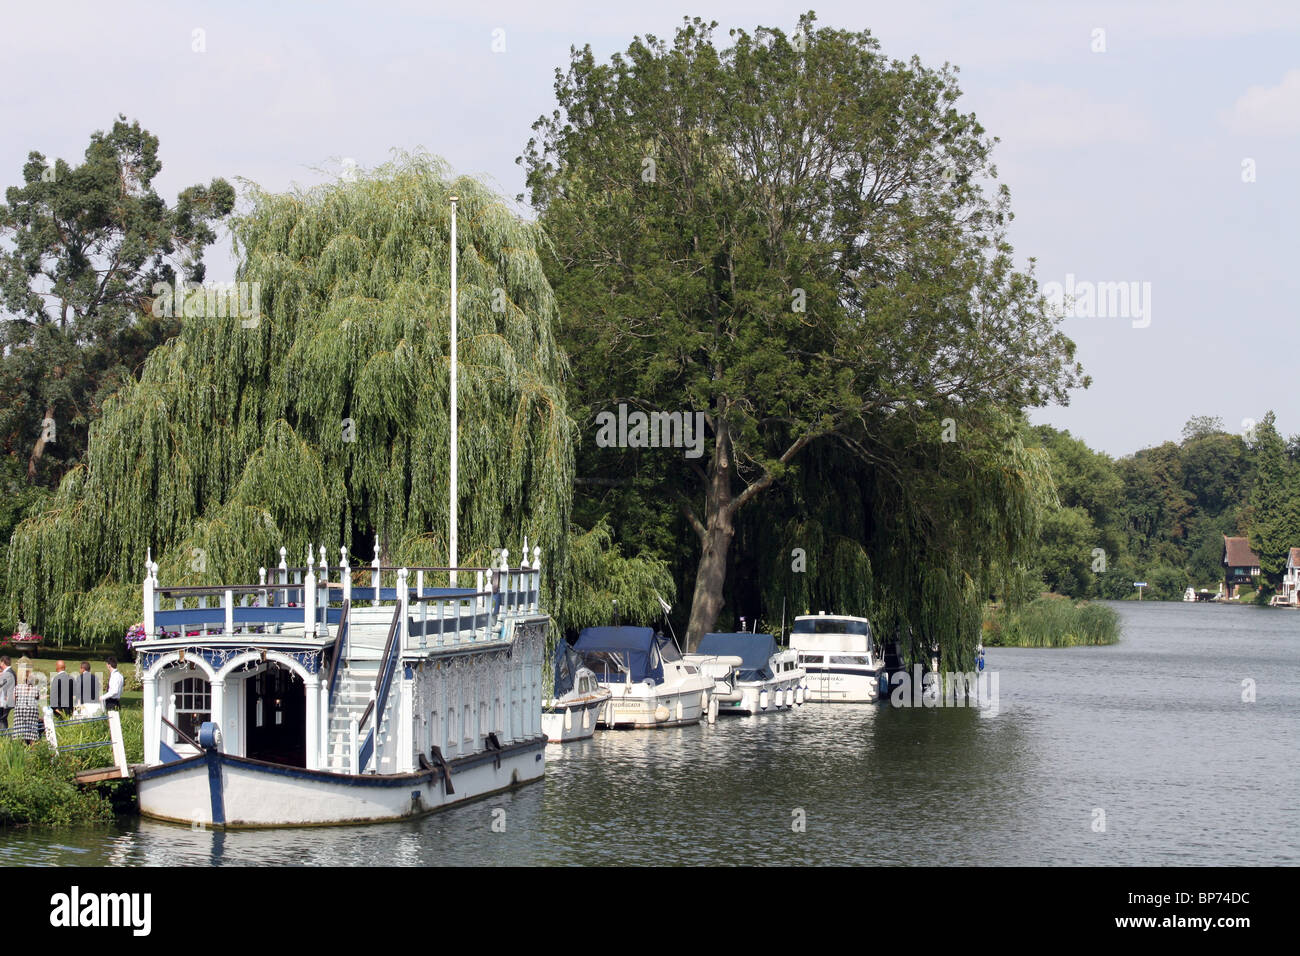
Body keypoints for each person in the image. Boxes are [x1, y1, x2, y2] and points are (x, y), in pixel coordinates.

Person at [12, 672, 42, 744]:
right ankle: (33, 751)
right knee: (32, 733)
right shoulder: (36, 688)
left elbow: (14, 700)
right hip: (32, 712)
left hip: (20, 712)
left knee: (19, 732)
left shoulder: (18, 687)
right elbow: (37, 699)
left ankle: (20, 750)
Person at [0, 656, 14, 729]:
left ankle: (3, 736)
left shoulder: (8, 673)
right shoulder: (9, 672)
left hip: (6, 700)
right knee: (2, 719)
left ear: (2, 662)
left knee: (2, 719)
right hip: (5, 699)